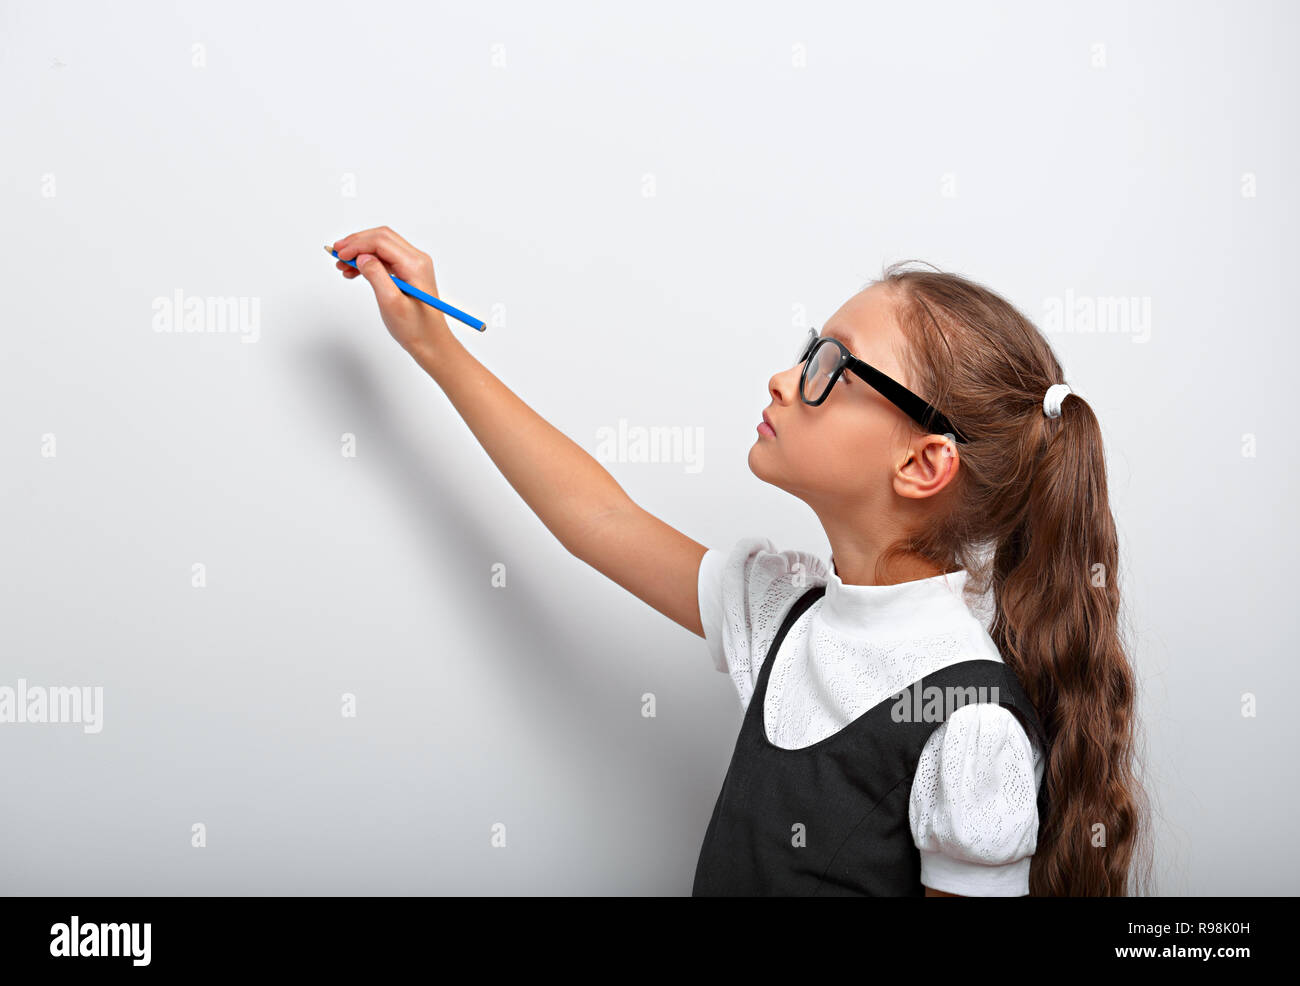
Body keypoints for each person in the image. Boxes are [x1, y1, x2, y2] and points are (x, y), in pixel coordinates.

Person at [330, 226, 1152, 896]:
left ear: (922, 463)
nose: (785, 379)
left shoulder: (970, 720)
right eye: (807, 351)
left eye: (831, 365)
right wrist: (433, 345)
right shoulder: (783, 610)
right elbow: (597, 517)